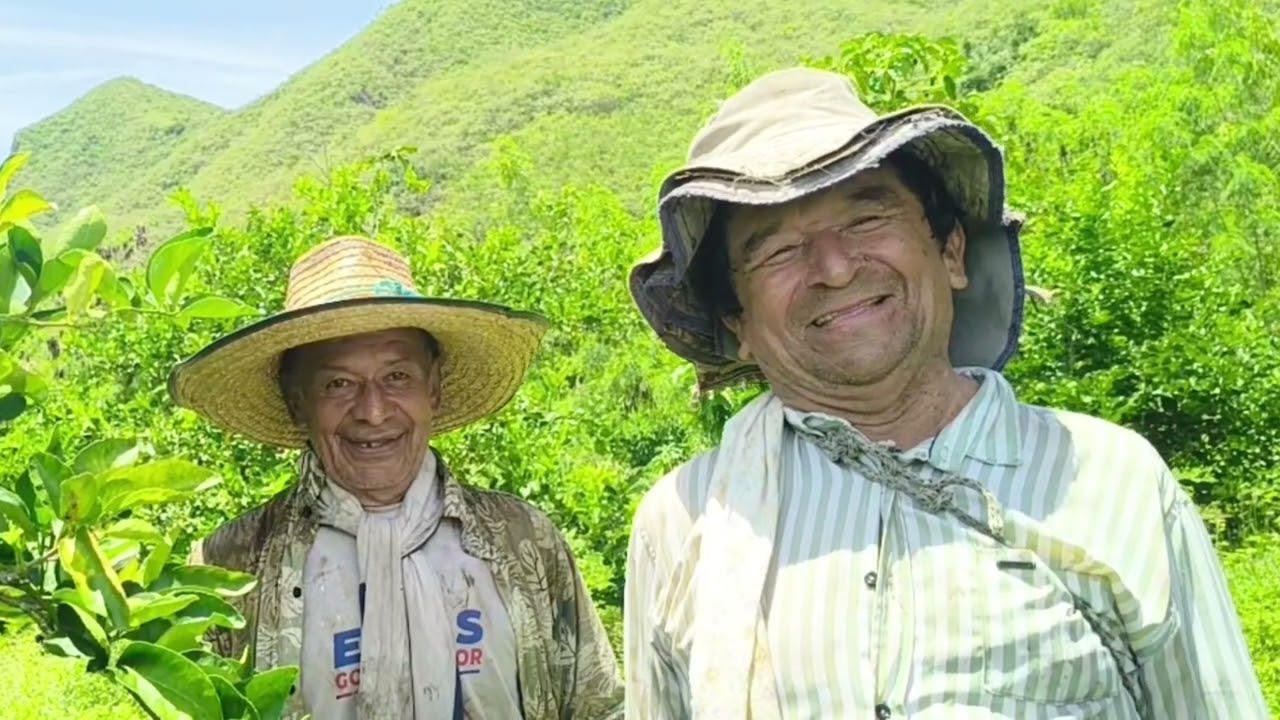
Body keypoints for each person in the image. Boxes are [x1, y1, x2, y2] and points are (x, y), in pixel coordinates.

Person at [622, 67, 1267, 719]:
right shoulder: (685, 523)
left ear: (951, 250)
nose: (836, 268)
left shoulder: (1113, 483)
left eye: (867, 218)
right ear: (740, 327)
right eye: (777, 250)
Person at [174, 235, 623, 719]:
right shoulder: (228, 569)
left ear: (433, 388)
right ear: (297, 402)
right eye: (338, 384)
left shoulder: (524, 542)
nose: (372, 411)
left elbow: (599, 708)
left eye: (397, 377)